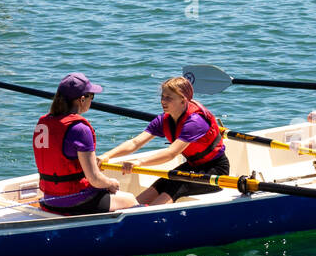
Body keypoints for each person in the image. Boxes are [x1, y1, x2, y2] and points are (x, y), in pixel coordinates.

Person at [102, 77, 229, 205]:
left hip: (216, 170)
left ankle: (142, 216)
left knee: (176, 185)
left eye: (169, 98)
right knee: (163, 183)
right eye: (162, 96)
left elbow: (171, 153)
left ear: (183, 100)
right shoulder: (164, 120)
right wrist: (106, 156)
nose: (163, 101)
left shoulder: (195, 122)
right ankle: (129, 209)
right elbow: (135, 143)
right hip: (193, 166)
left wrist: (139, 162)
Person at [33, 73, 137, 214]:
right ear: (82, 99)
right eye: (91, 96)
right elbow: (94, 179)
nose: (92, 100)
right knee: (130, 200)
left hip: (50, 198)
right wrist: (111, 183)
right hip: (75, 201)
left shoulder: (43, 124)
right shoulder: (80, 129)